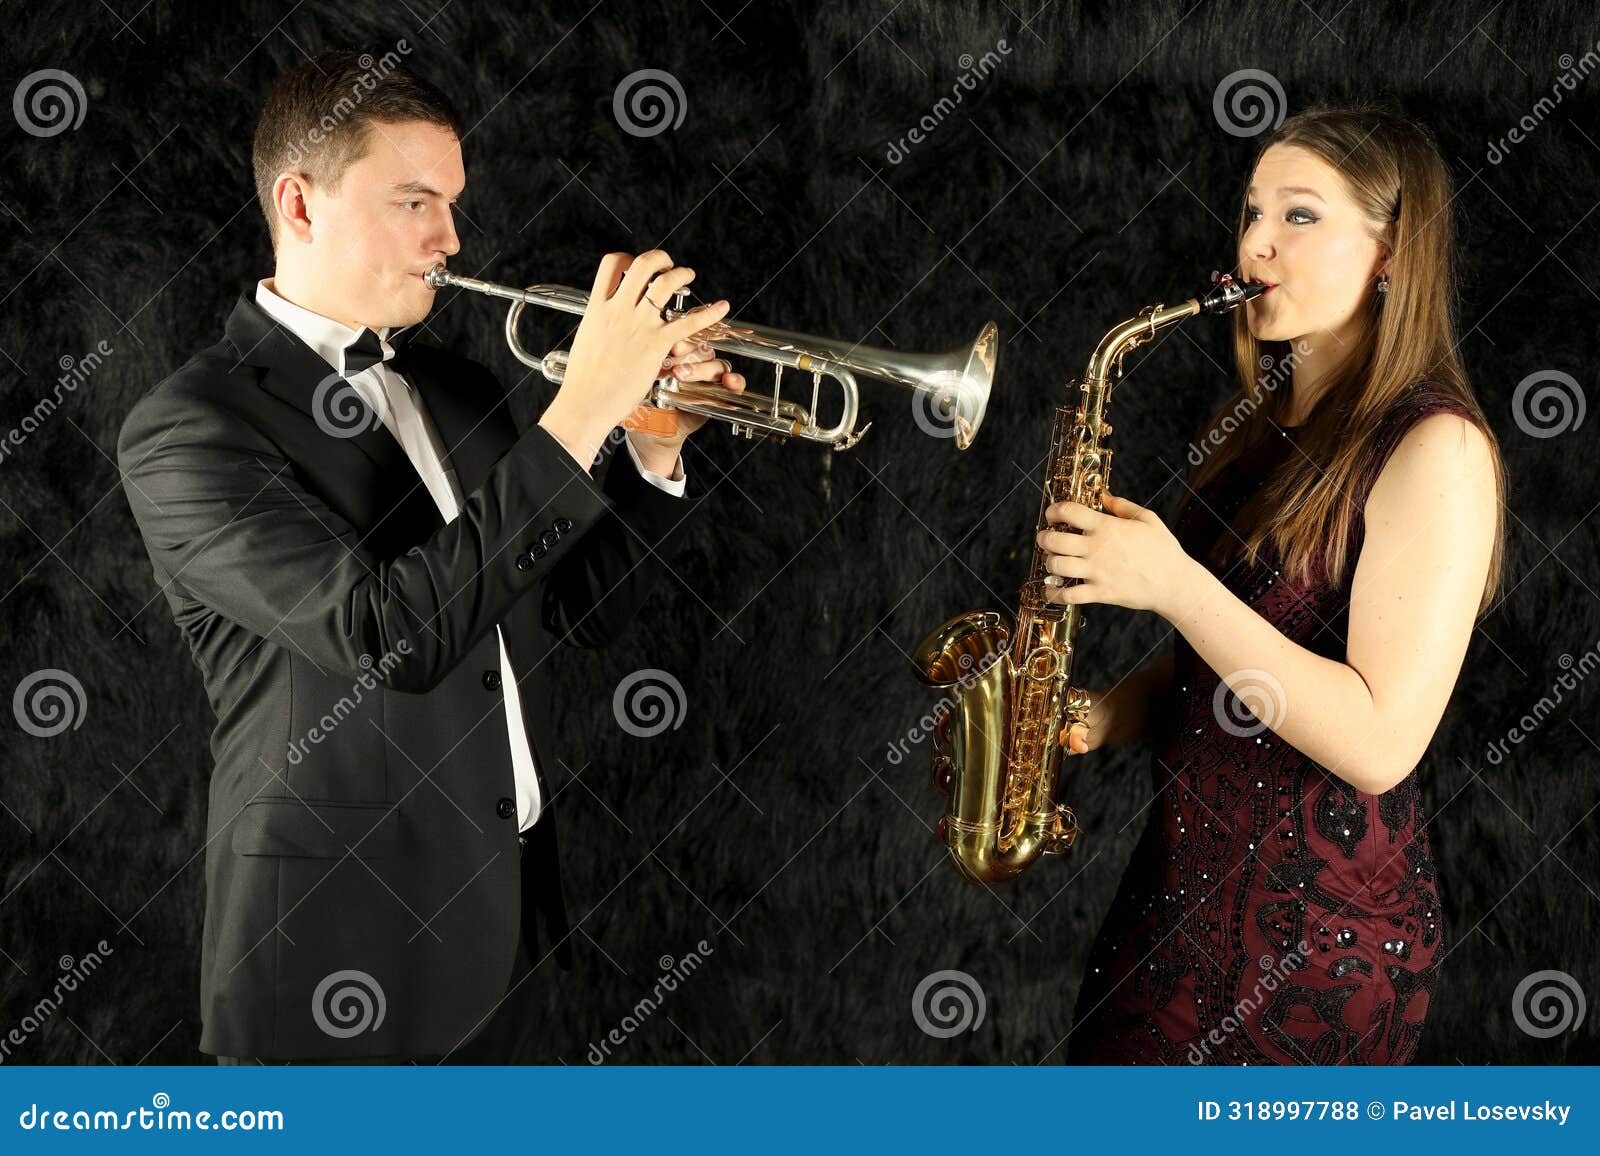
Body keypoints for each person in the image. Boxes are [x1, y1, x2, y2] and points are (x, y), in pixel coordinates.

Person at [115, 49, 745, 1064]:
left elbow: (582, 607)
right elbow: (388, 636)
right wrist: (580, 409)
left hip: (513, 924)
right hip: (331, 944)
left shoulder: (457, 389)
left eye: (451, 204)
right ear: (300, 204)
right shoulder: (188, 426)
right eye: (414, 202)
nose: (449, 240)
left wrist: (650, 441)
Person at [1043, 107, 1506, 1064]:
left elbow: (1381, 742)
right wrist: (1100, 712)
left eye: (1299, 217)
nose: (1253, 243)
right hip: (1173, 910)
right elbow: (1226, 663)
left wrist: (1173, 584)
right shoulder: (1257, 429)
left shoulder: (1438, 448)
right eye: (1252, 212)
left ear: (1391, 251)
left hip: (1317, 953)